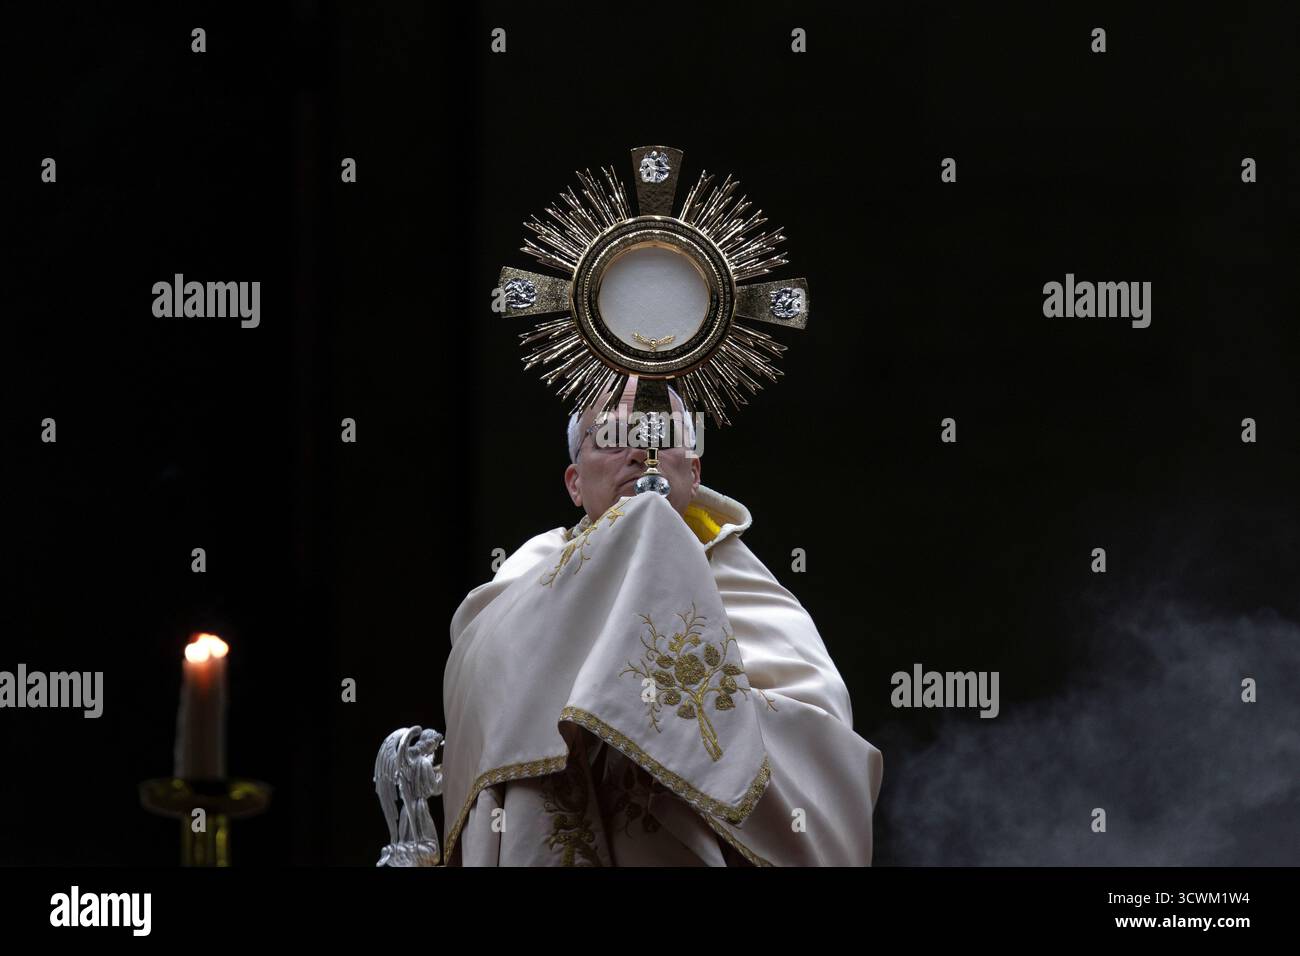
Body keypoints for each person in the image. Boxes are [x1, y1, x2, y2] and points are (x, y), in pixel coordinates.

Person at [441, 378, 883, 865]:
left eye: (662, 432)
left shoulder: (747, 587)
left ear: (694, 473)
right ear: (574, 482)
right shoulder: (529, 573)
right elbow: (482, 687)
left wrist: (686, 721)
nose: (638, 451)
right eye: (609, 437)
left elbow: (820, 734)